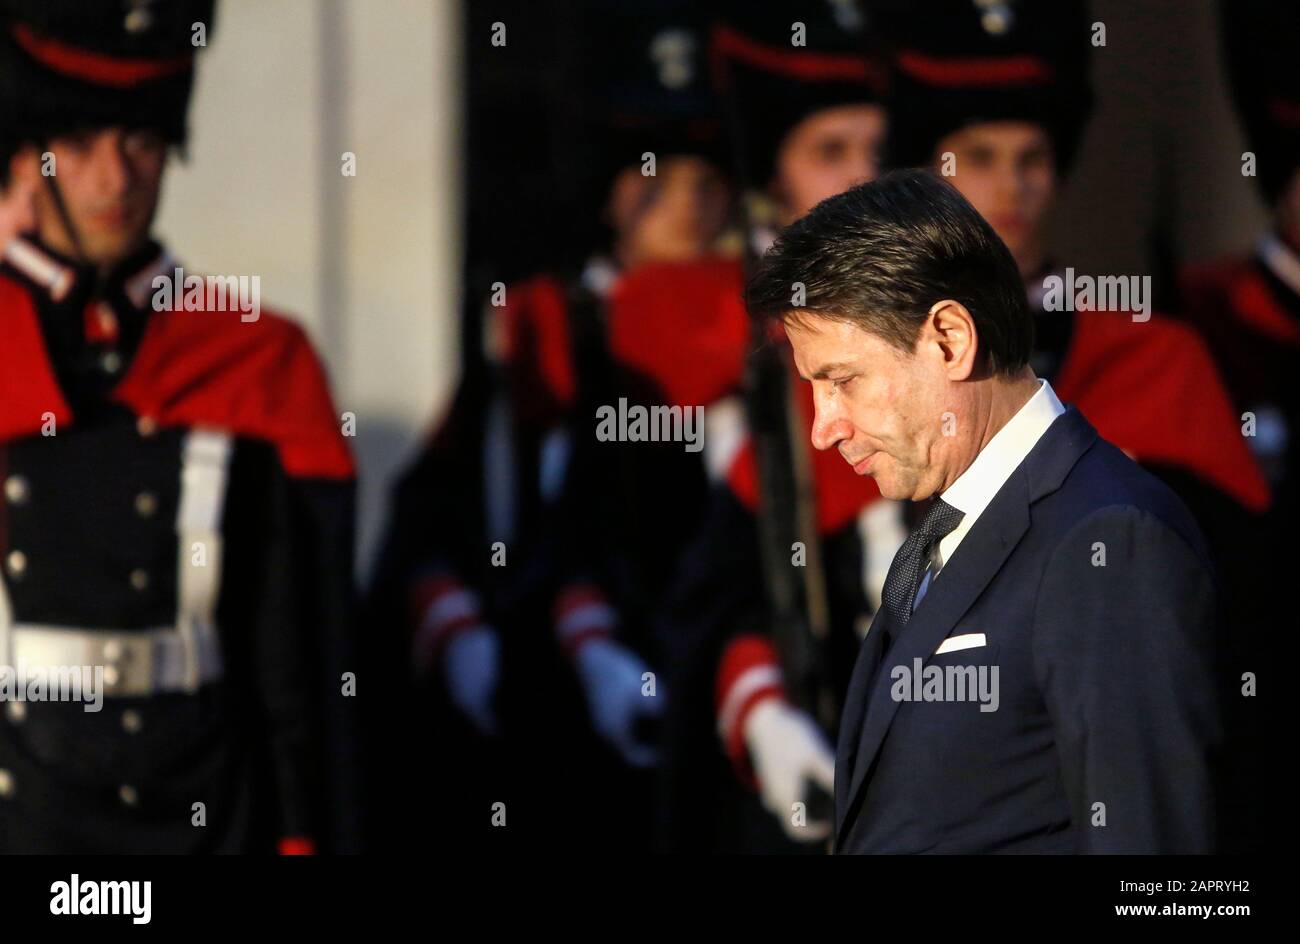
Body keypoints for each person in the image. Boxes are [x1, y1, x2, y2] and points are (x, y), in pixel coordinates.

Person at [748, 168, 1223, 853]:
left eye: (843, 380)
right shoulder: (943, 534)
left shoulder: (1108, 539)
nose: (824, 428)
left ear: (949, 338)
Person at [0, 0, 360, 852]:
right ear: (28, 156)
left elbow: (306, 663)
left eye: (143, 144)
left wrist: (306, 837)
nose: (117, 181)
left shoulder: (256, 355)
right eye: (82, 146)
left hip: (202, 811)